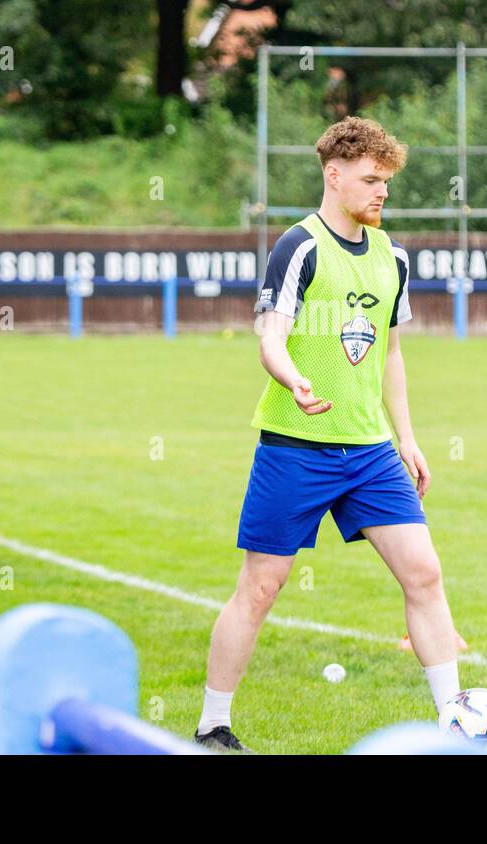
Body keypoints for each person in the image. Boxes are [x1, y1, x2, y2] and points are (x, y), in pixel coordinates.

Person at [194, 117, 462, 752]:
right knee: (261, 586)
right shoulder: (299, 247)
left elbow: (392, 355)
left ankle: (456, 724)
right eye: (370, 180)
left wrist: (407, 438)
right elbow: (269, 336)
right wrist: (295, 381)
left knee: (423, 573)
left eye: (387, 183)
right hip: (295, 446)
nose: (381, 193)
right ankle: (212, 725)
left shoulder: (392, 254)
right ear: (333, 175)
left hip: (369, 452)